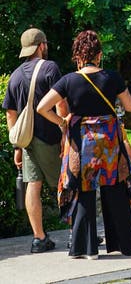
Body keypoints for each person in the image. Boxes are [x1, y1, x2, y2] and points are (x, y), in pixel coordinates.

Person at [37, 29, 131, 259]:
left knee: (83, 191)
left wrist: (63, 123)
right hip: (109, 145)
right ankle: (128, 245)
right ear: (99, 55)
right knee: (115, 191)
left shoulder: (68, 80)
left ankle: (85, 249)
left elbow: (42, 107)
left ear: (78, 56)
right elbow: (130, 107)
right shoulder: (112, 77)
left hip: (82, 144)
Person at [2, 28, 63, 254]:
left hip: (27, 141)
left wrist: (17, 145)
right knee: (64, 183)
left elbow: (10, 114)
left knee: (33, 186)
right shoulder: (50, 68)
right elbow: (60, 103)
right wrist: (65, 133)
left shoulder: (15, 76)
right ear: (41, 46)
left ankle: (39, 238)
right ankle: (77, 234)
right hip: (50, 138)